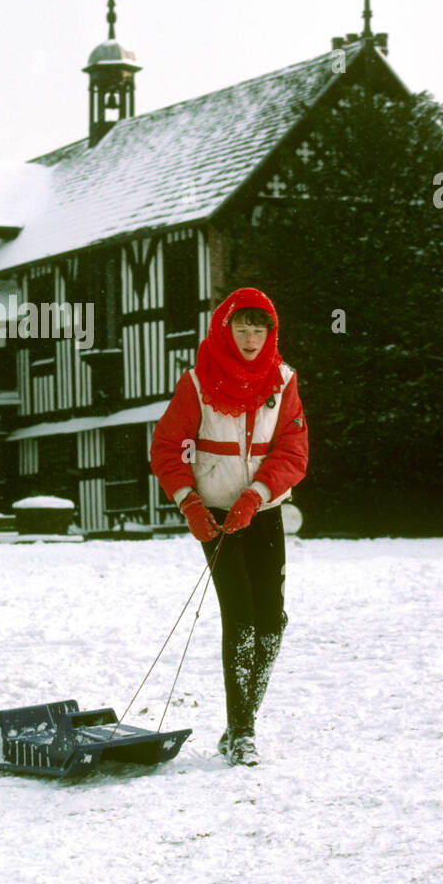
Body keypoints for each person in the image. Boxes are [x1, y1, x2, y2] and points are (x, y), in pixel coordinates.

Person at [150, 288, 308, 767]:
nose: (250, 337)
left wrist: (257, 494)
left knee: (272, 624)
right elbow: (166, 447)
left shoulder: (283, 381)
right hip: (216, 519)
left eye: (260, 328)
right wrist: (190, 503)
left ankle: (242, 721)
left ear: (271, 332)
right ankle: (243, 732)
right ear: (225, 329)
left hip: (262, 512)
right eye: (241, 327)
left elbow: (293, 451)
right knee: (240, 619)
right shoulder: (197, 383)